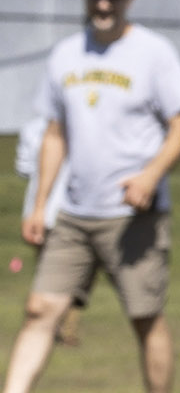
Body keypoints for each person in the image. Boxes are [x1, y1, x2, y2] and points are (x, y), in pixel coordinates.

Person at [4, 0, 180, 393]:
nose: (104, 4)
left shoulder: (153, 53)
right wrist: (39, 206)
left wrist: (150, 176)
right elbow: (55, 135)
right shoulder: (66, 54)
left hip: (132, 217)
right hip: (74, 214)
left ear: (129, 0)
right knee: (40, 310)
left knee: (145, 318)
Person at [11, 117, 87, 350]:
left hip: (40, 212)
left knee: (47, 272)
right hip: (70, 210)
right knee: (73, 276)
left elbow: (24, 168)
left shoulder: (32, 128)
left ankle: (54, 327)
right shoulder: (82, 123)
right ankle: (63, 329)